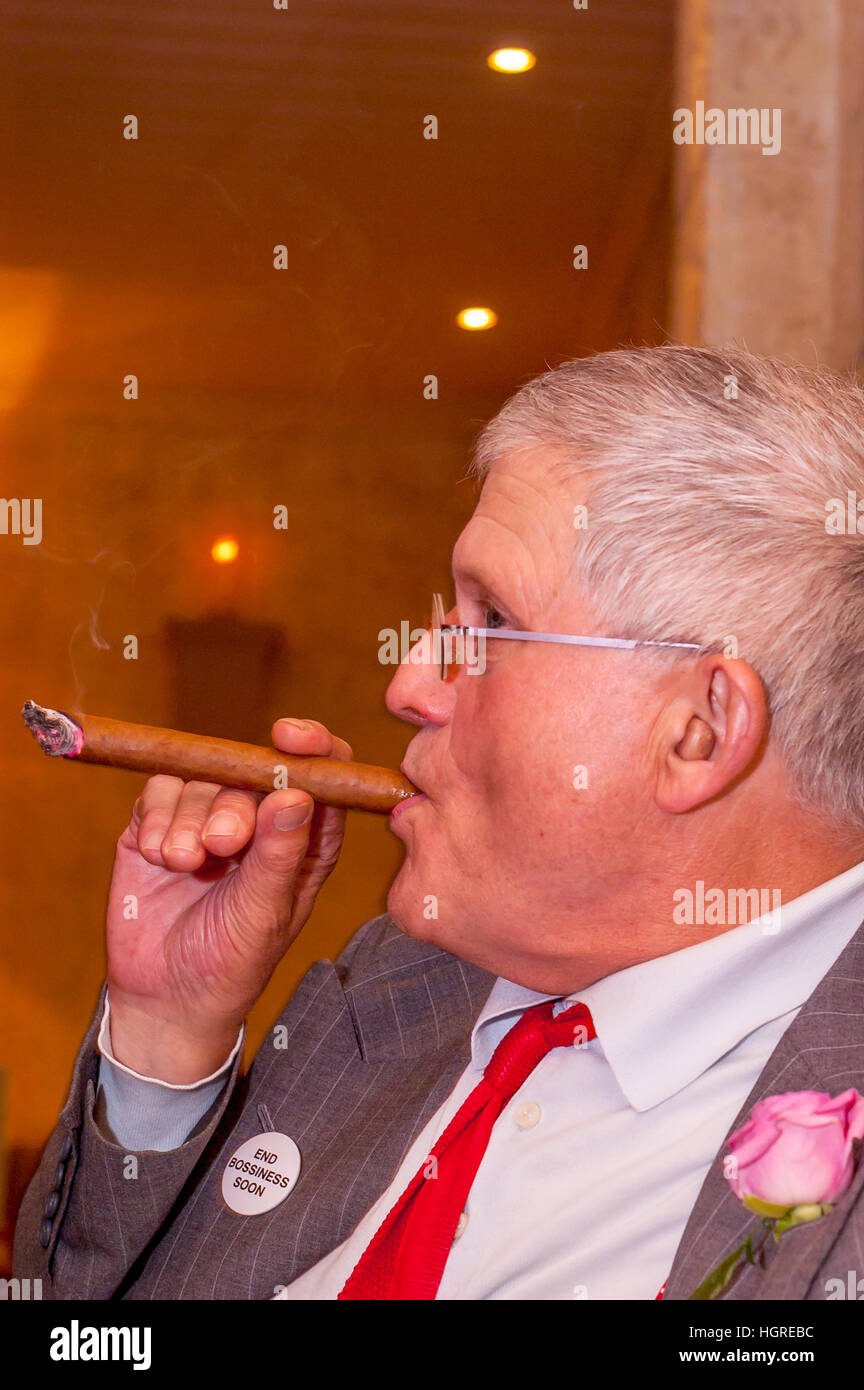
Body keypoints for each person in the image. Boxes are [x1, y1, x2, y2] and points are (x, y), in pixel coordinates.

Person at [14, 343, 864, 1300]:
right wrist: (167, 1035)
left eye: (491, 620)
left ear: (700, 732)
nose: (409, 683)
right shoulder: (387, 992)